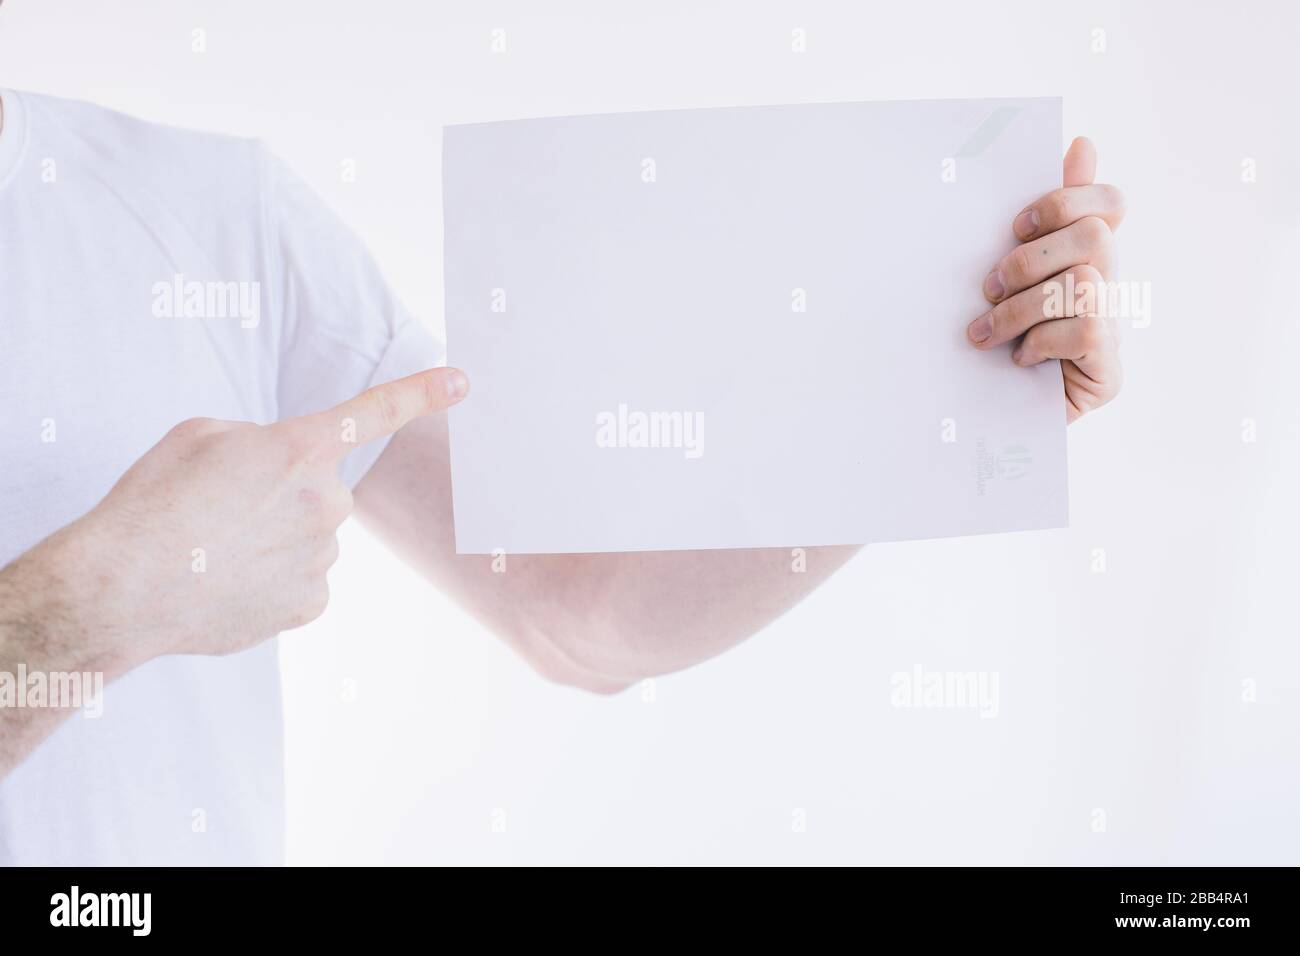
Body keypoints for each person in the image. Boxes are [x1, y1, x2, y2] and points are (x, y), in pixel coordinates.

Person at [0, 87, 1125, 864]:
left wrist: (946, 366)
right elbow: (104, 601)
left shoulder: (211, 212)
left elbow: (578, 613)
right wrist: (96, 603)